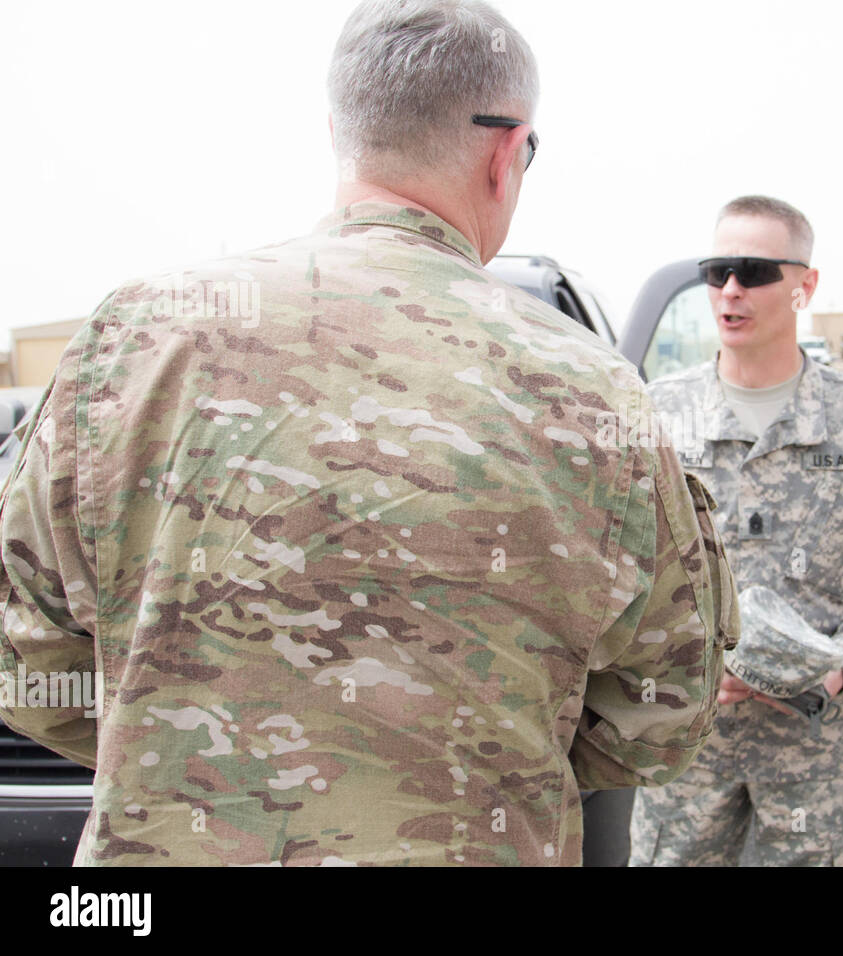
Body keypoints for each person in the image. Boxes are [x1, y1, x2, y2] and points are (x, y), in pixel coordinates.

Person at [0, 0, 737, 867]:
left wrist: (194, 754)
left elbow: (25, 659)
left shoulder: (133, 338)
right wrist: (491, 761)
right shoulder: (590, 387)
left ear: (339, 133)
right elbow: (666, 707)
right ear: (508, 154)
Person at [628, 196, 843, 866]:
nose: (731, 290)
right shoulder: (657, 417)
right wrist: (673, 661)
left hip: (819, 748)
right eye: (716, 271)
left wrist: (838, 666)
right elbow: (615, 566)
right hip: (688, 743)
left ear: (805, 285)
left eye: (753, 270)